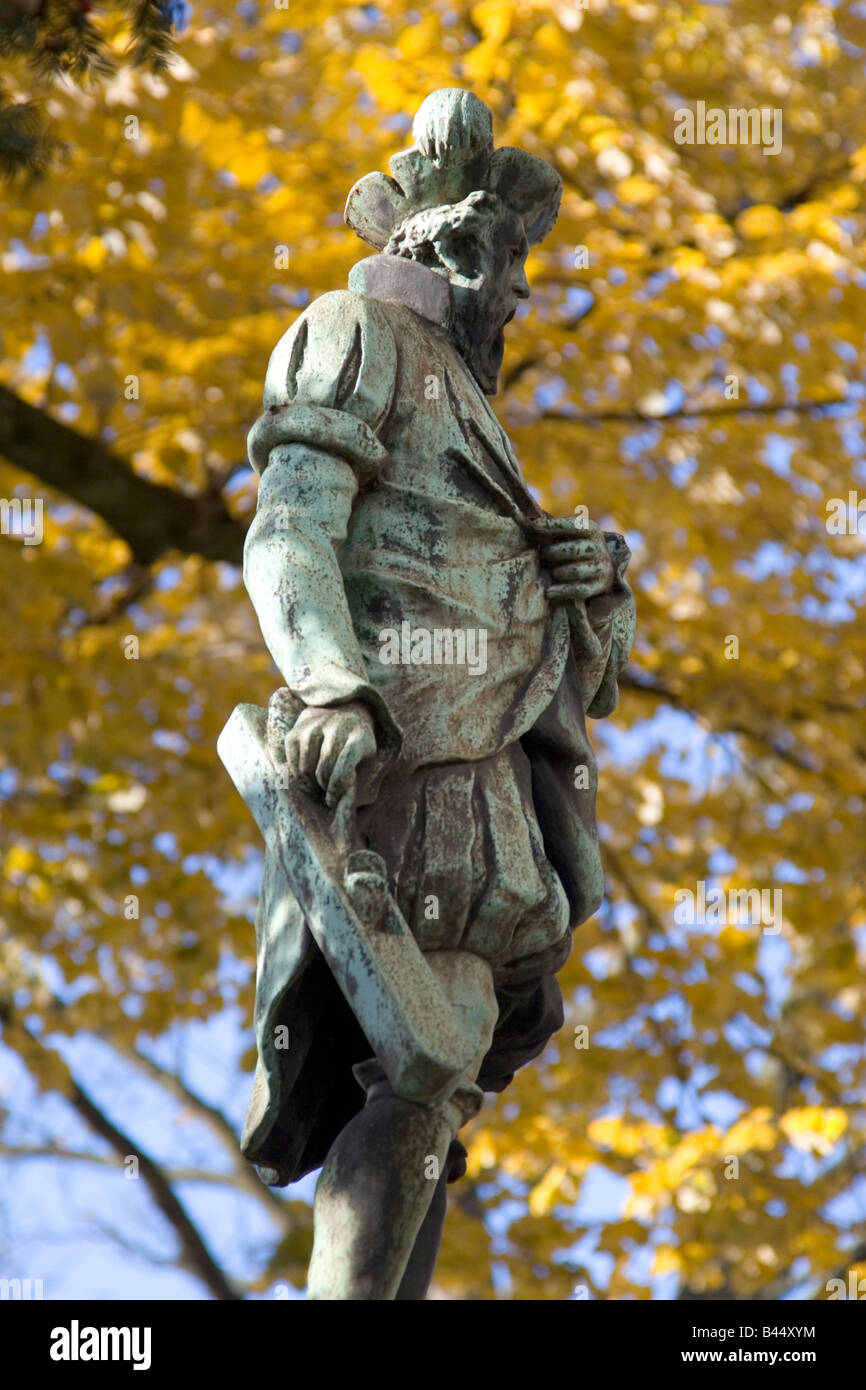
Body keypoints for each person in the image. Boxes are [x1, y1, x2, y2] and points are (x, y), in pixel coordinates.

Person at [238, 89, 636, 1298]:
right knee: (421, 1054)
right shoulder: (351, 330)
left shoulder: (479, 416)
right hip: (396, 744)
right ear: (460, 250)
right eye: (512, 273)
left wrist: (590, 584)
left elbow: (552, 635)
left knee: (444, 1061)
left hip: (495, 765)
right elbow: (287, 526)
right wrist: (329, 684)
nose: (519, 302)